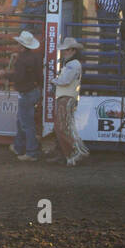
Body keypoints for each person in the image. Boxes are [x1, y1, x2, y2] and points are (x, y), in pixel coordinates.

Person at [0, 31, 44, 162]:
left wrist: (4, 74)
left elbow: (19, 77)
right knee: (22, 120)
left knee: (26, 123)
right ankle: (19, 146)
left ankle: (31, 152)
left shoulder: (22, 60)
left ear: (21, 45)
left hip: (26, 93)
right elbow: (39, 76)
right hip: (34, 91)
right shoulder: (35, 57)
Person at [48, 37, 89, 166]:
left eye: (66, 50)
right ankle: (69, 154)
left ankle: (74, 152)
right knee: (63, 127)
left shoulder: (73, 64)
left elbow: (65, 81)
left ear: (72, 50)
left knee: (62, 128)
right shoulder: (72, 64)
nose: (64, 52)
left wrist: (53, 80)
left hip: (66, 98)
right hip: (66, 97)